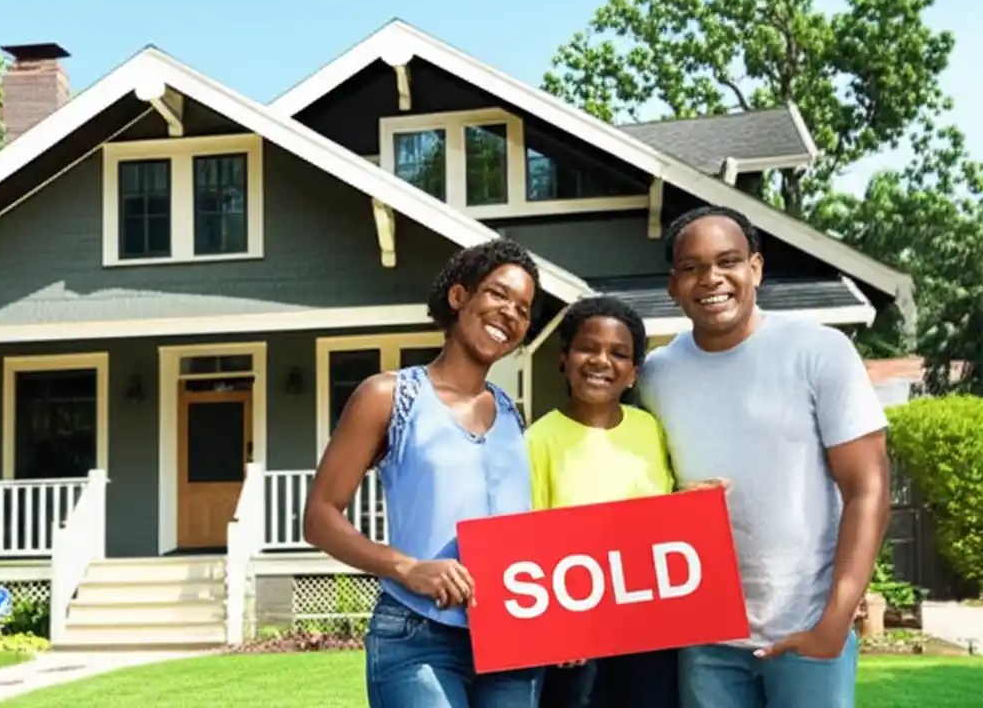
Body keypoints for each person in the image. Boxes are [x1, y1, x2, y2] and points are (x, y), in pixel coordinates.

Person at [637, 205, 891, 708]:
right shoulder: (655, 375)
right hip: (704, 638)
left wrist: (835, 622)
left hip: (807, 628)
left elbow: (869, 490)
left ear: (755, 268)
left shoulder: (820, 351)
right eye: (691, 267)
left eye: (727, 261)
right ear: (672, 286)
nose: (711, 278)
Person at [303, 237, 545, 707]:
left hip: (512, 636)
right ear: (459, 297)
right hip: (419, 636)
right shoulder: (389, 396)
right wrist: (408, 568)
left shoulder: (512, 414)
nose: (510, 313)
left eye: (523, 308)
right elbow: (320, 516)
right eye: (498, 294)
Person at [525, 295, 678, 708]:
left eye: (618, 353)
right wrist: (556, 628)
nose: (600, 361)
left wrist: (694, 505)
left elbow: (664, 519)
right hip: (578, 642)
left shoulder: (650, 429)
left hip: (651, 634)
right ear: (564, 358)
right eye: (587, 348)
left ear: (634, 373)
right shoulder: (538, 440)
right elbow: (530, 544)